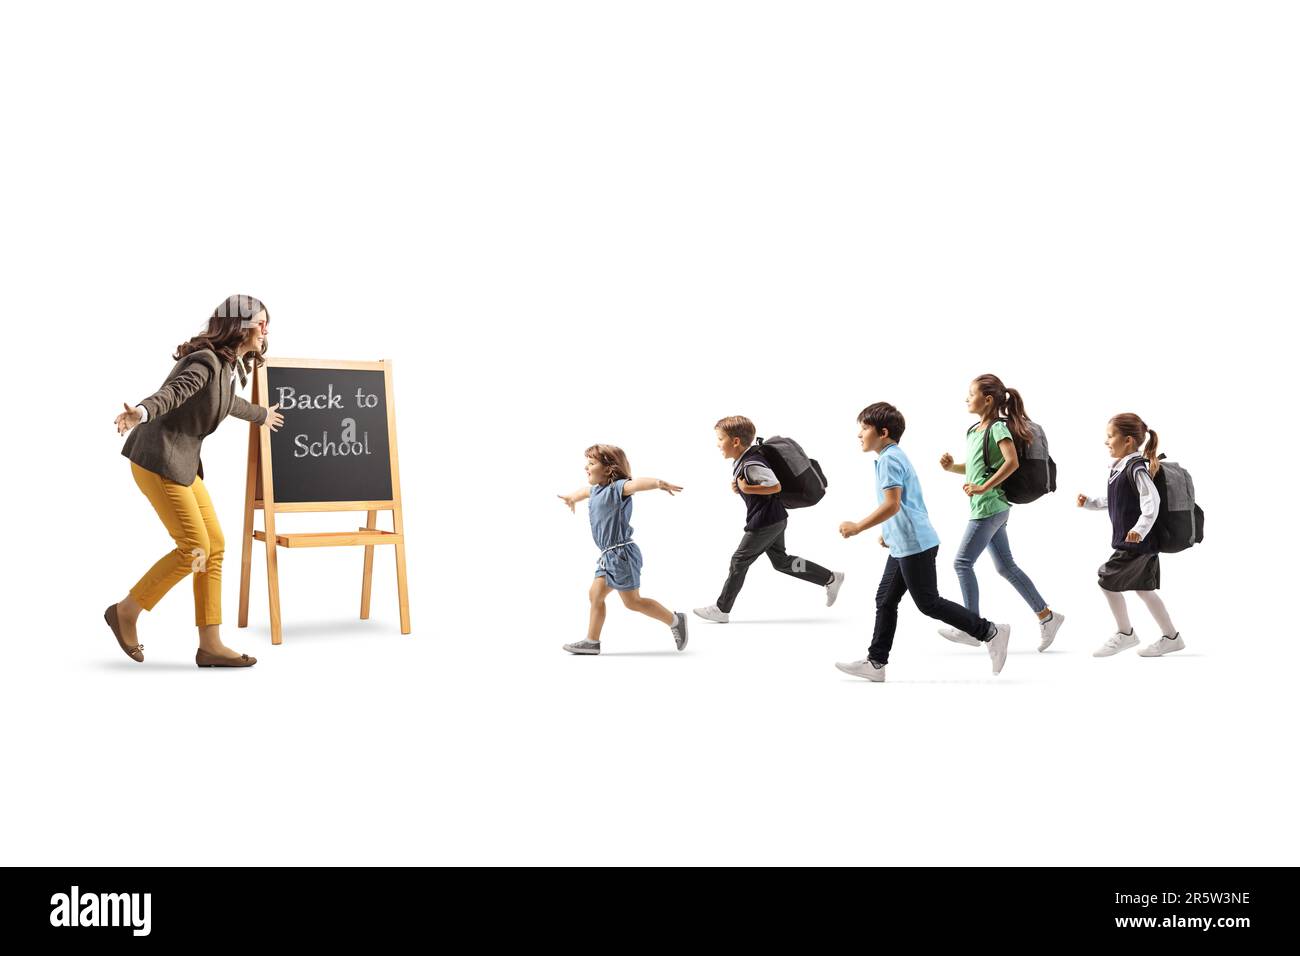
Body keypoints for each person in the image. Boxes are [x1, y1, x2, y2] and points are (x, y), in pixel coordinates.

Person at [106, 294, 284, 668]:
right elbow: (174, 393)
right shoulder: (205, 362)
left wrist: (261, 414)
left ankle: (211, 644)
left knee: (213, 545)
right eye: (261, 323)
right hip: (159, 460)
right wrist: (141, 411)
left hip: (182, 463)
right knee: (194, 549)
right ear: (241, 325)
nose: (266, 330)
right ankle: (125, 611)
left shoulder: (225, 364)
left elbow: (224, 402)